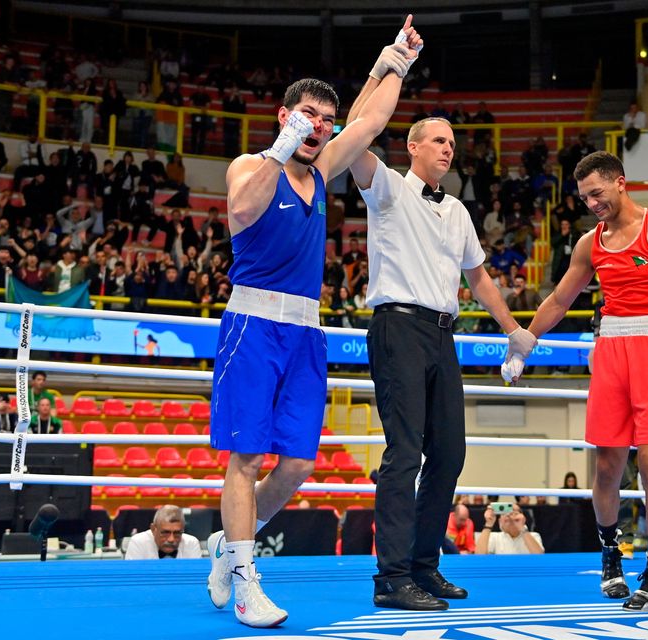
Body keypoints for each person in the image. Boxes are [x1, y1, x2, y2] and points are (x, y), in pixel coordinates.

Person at [204, 21, 423, 629]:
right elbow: (242, 212)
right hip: (251, 324)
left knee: (298, 464)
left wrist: (395, 60)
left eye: (324, 120)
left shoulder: (322, 171)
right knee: (245, 459)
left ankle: (231, 544)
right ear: (283, 116)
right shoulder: (250, 165)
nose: (318, 127)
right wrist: (280, 149)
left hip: (305, 333)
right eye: (307, 115)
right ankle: (246, 577)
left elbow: (371, 122)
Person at [349, 108, 536, 609]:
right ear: (412, 147)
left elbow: (478, 279)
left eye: (451, 142)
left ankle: (423, 566)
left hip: (441, 334)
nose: (447, 148)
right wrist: (387, 70)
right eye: (436, 140)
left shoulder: (457, 210)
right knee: (405, 453)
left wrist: (514, 330)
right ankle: (390, 578)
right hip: (397, 327)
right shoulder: (386, 186)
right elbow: (354, 137)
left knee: (449, 454)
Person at [512, 151, 648, 612]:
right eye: (585, 198)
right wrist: (526, 340)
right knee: (606, 465)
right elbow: (561, 298)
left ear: (621, 183)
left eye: (598, 194)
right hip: (612, 351)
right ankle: (610, 555)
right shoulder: (590, 243)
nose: (592, 204)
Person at [124, 505, 202, 560]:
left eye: (177, 533)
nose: (171, 539)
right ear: (153, 529)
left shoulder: (191, 543)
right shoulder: (138, 542)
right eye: (165, 532)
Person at [475, 504, 544, 555]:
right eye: (505, 513)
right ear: (500, 521)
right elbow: (479, 557)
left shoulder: (533, 536)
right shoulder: (494, 537)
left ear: (523, 518)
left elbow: (540, 557)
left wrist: (521, 527)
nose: (510, 515)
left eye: (515, 512)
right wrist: (489, 523)